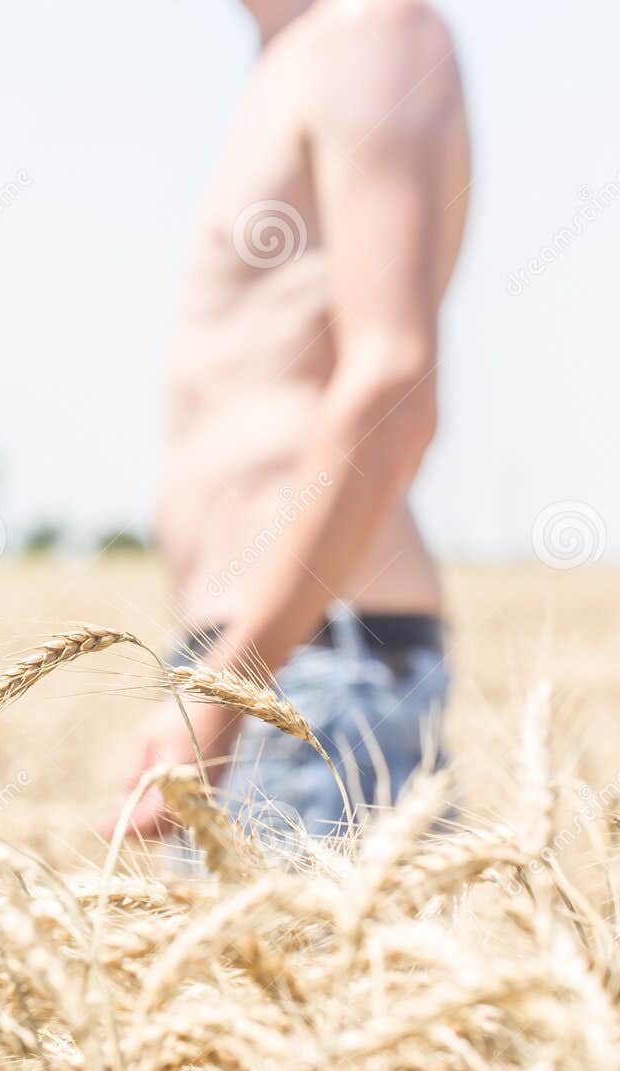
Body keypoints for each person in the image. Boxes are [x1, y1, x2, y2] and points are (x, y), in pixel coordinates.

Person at [122, 0, 470, 841]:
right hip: (265, 659)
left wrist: (233, 682)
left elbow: (393, 384)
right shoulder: (292, 59)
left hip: (312, 666)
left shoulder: (372, 31)